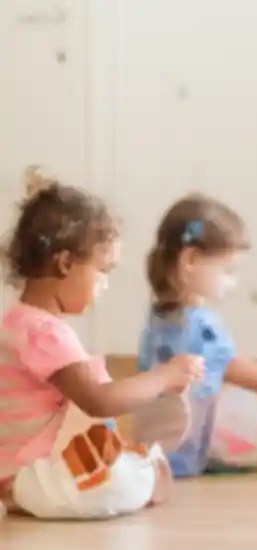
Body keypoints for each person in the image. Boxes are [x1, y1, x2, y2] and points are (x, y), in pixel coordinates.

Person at [0, 168, 203, 519]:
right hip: (40, 475)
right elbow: (99, 400)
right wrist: (164, 377)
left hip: (18, 472)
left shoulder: (16, 321)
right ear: (66, 264)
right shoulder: (45, 333)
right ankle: (145, 474)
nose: (104, 286)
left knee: (112, 454)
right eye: (102, 271)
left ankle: (137, 463)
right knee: (123, 480)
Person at [137, 194, 257, 477]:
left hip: (158, 448)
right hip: (184, 453)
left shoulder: (160, 316)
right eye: (228, 271)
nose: (233, 283)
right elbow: (233, 367)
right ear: (191, 260)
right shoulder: (200, 323)